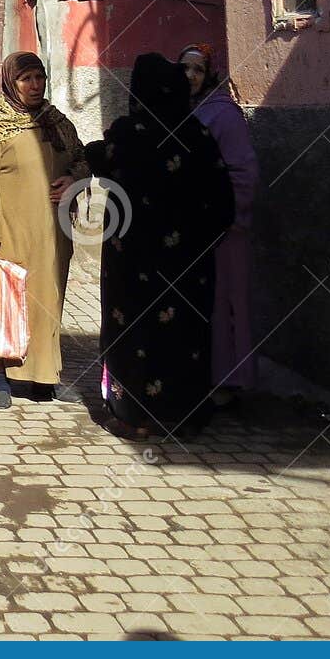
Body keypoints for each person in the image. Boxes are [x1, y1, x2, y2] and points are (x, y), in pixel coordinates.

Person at [86, 54, 235, 437]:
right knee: (184, 333)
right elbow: (222, 201)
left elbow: (100, 157)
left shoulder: (129, 133)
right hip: (188, 265)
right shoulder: (198, 136)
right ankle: (184, 414)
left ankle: (132, 416)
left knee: (134, 331)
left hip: (134, 264)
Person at [0, 51, 90, 409]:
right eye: (26, 79)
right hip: (12, 233)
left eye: (39, 77)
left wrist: (75, 178)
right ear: (11, 82)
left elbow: (83, 158)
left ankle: (44, 378)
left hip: (54, 234)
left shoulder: (57, 122)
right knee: (9, 303)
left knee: (48, 304)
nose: (34, 85)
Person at [180, 41, 259, 403]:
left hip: (225, 228)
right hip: (195, 228)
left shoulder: (223, 113)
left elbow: (244, 171)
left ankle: (230, 382)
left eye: (198, 69)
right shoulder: (183, 112)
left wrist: (230, 215)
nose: (191, 76)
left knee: (227, 302)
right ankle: (204, 377)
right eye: (185, 68)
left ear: (209, 74)